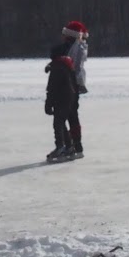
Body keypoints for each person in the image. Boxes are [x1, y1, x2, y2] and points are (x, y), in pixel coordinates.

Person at [44, 28, 84, 161]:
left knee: (60, 122)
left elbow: (52, 87)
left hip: (64, 97)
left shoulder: (75, 49)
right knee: (66, 120)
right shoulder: (68, 58)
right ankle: (71, 147)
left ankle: (65, 147)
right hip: (71, 94)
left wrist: (48, 104)